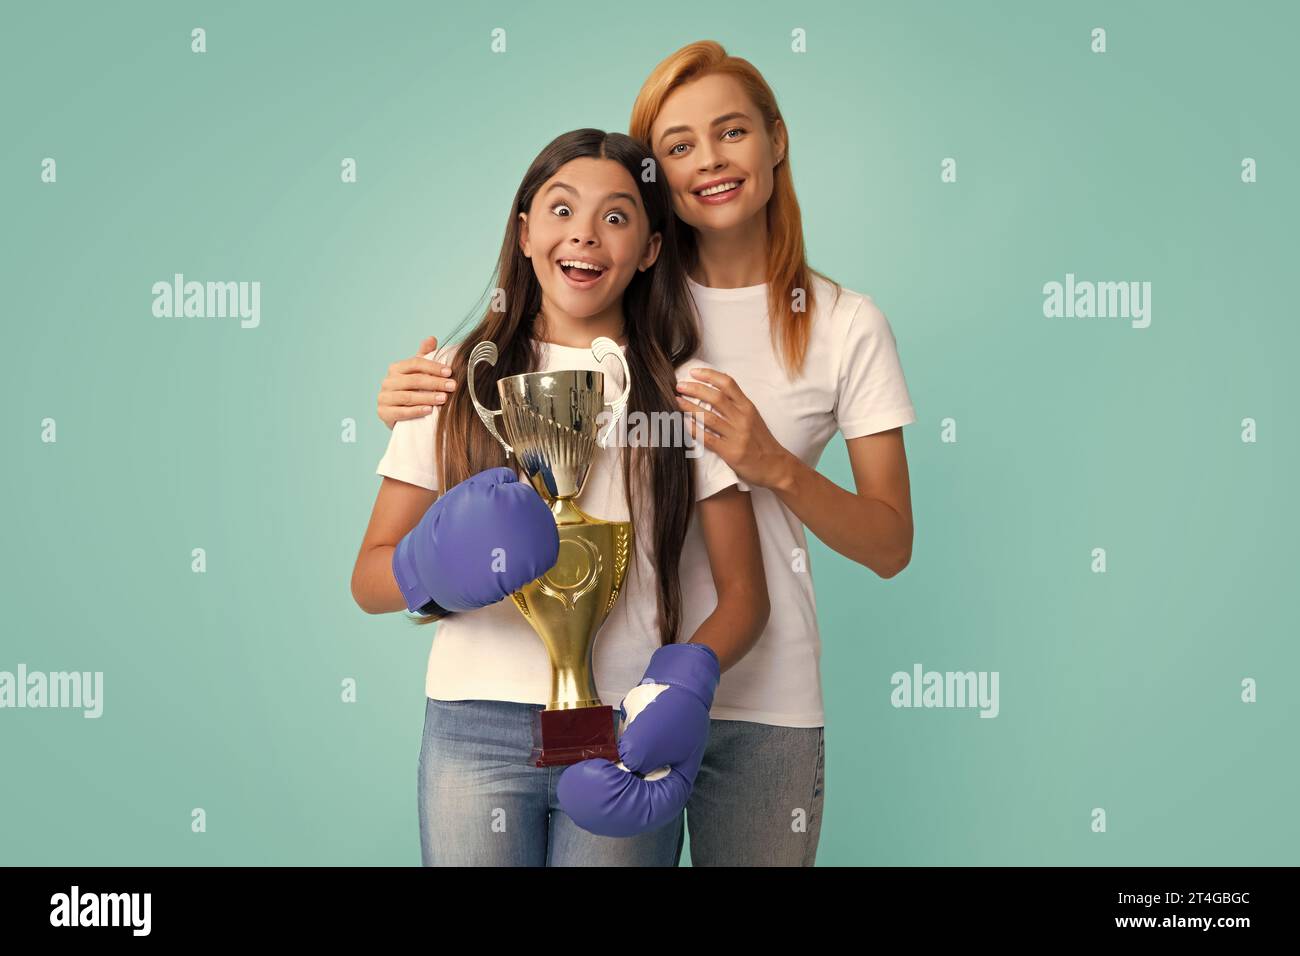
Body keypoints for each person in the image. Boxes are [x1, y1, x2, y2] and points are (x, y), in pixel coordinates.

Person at [373, 42, 916, 866]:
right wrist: (426, 545)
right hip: (527, 709)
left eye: (731, 131)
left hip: (725, 696)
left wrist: (773, 466)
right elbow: (375, 568)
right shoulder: (516, 351)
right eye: (679, 145)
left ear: (777, 139)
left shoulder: (764, 352)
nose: (709, 160)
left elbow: (874, 547)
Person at [351, 128, 769, 866]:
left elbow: (745, 594)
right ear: (523, 230)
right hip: (471, 725)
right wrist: (427, 570)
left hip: (626, 728)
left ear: (649, 249)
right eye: (561, 209)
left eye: (615, 217)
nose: (584, 235)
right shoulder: (450, 381)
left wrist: (686, 678)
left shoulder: (686, 394)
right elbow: (368, 579)